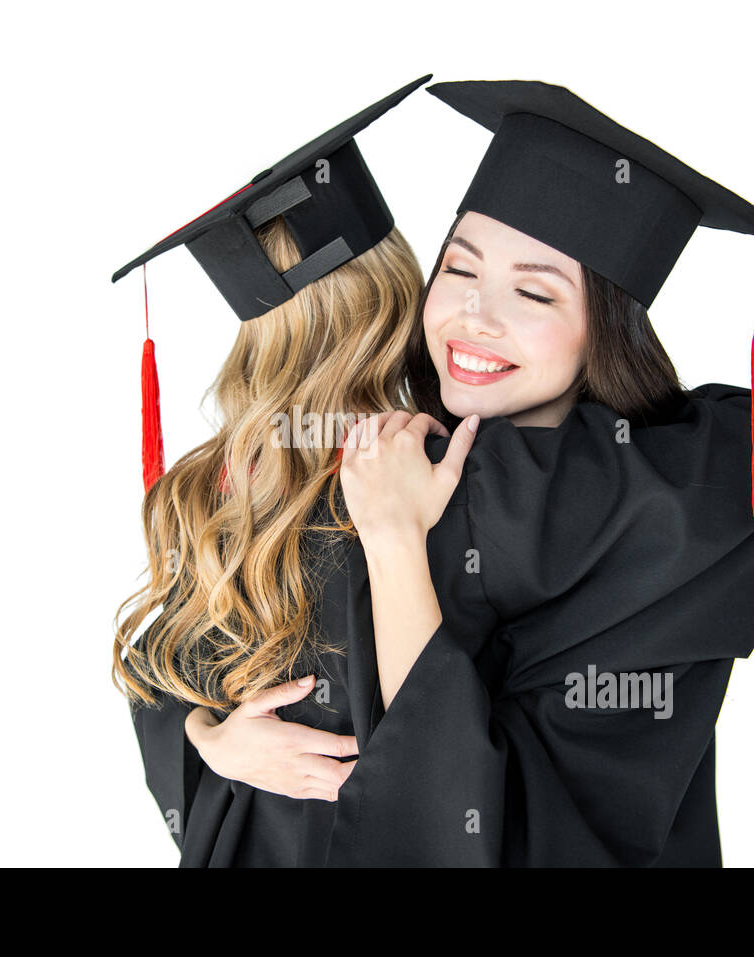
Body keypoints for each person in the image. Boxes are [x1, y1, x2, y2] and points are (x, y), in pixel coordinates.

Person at [322, 80, 754, 865]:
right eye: (459, 270)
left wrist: (395, 538)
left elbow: (445, 812)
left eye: (533, 290)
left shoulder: (668, 527)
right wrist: (210, 741)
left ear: (606, 329)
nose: (474, 315)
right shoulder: (386, 459)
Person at [110, 76, 445, 865]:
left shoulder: (210, 488)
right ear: (396, 293)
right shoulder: (427, 473)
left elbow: (159, 669)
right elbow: (164, 674)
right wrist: (213, 739)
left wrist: (209, 743)